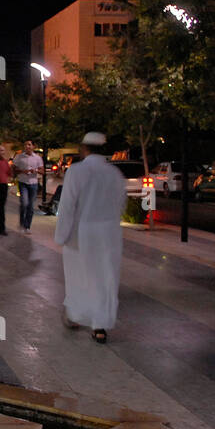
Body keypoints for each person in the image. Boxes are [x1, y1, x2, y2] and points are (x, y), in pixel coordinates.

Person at [54, 131, 128, 343]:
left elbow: (67, 205)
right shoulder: (115, 173)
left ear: (84, 149)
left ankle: (76, 315)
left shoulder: (77, 171)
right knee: (105, 278)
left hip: (81, 233)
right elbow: (120, 204)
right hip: (109, 233)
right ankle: (100, 326)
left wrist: (61, 235)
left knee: (79, 276)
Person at [12, 141, 44, 233]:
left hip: (33, 183)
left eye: (29, 145)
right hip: (23, 182)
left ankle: (27, 226)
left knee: (30, 205)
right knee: (24, 203)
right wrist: (22, 171)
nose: (27, 146)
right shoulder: (19, 157)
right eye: (25, 144)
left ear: (33, 146)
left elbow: (42, 171)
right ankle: (22, 223)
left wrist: (36, 170)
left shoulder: (37, 158)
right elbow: (14, 168)